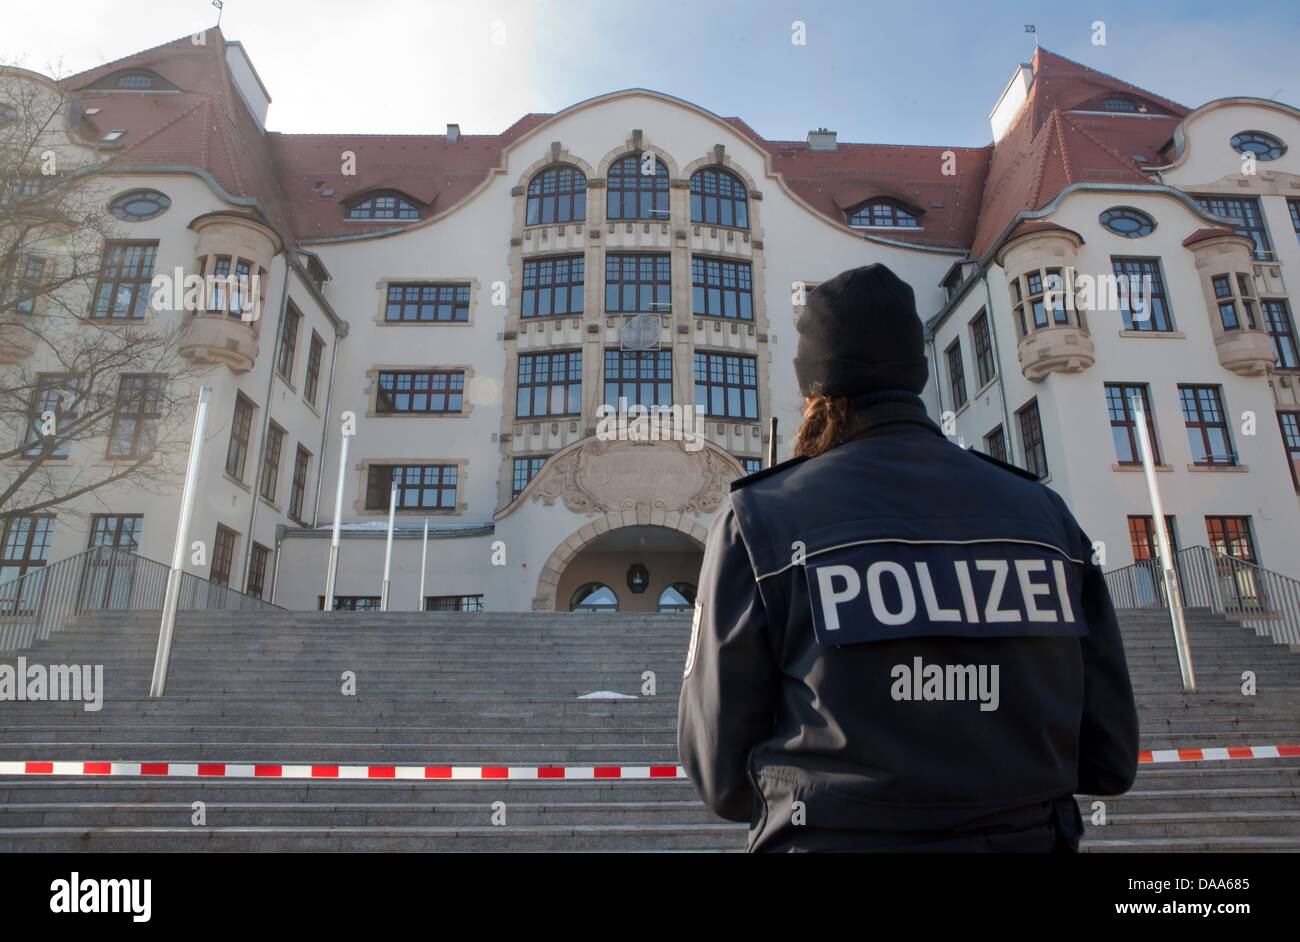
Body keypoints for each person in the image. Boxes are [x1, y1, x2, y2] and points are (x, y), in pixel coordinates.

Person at [677, 263, 1138, 852]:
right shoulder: (1045, 516)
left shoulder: (761, 517)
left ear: (815, 388)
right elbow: (1111, 760)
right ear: (916, 372)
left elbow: (719, 774)